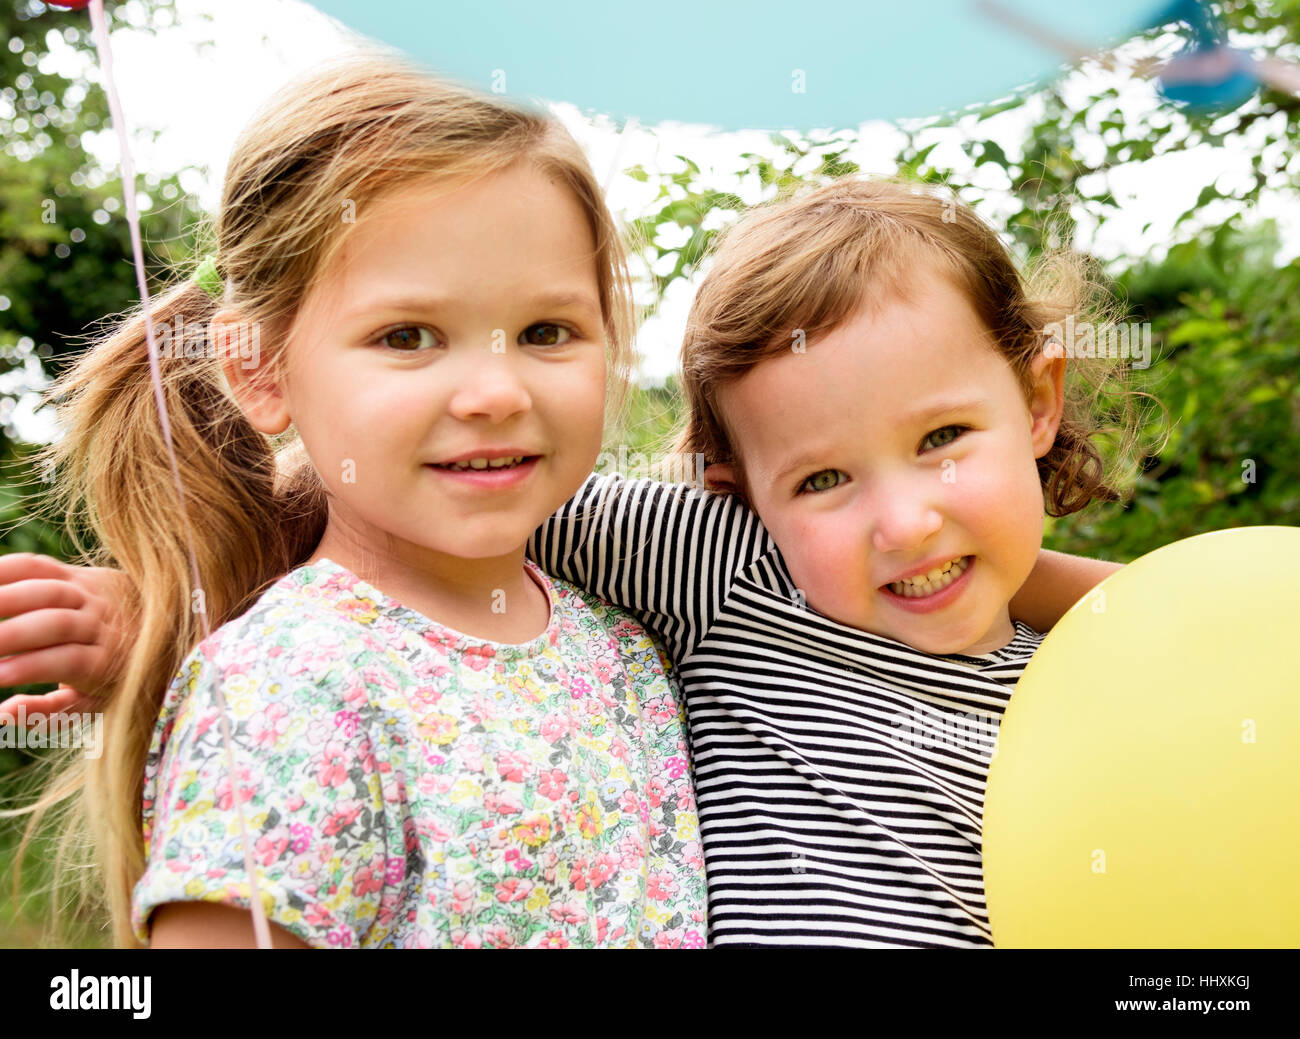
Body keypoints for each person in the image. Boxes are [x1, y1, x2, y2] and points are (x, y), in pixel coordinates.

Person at [0, 174, 1130, 946]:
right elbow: (436, 507)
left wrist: (1183, 620)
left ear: (1037, 398)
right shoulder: (727, 568)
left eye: (941, 442)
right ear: (735, 493)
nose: (905, 525)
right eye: (821, 480)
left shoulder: (1119, 681)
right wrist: (164, 607)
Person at [0, 53, 706, 949]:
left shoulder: (632, 644)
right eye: (407, 336)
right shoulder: (284, 692)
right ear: (260, 368)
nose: (495, 390)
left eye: (544, 331)